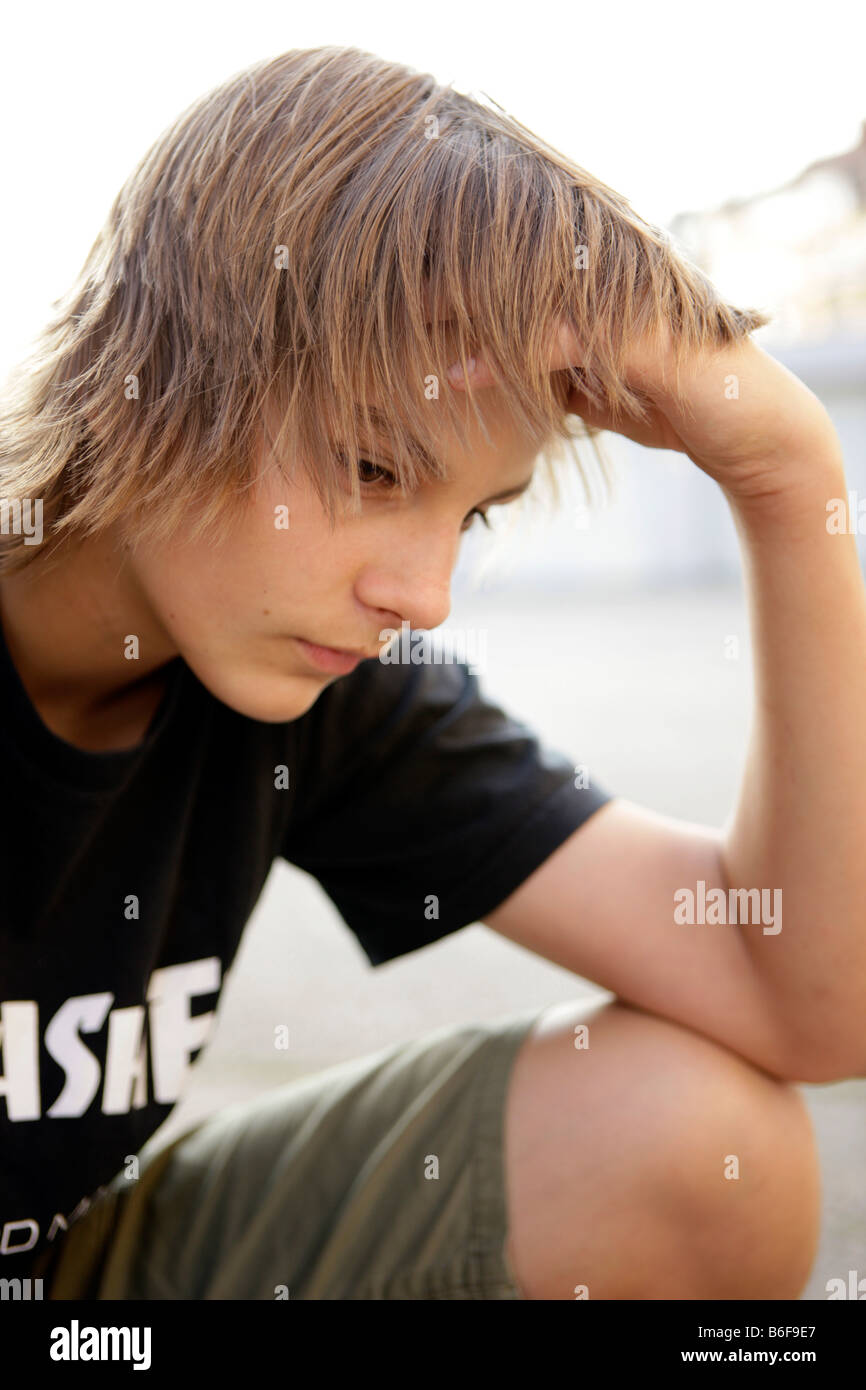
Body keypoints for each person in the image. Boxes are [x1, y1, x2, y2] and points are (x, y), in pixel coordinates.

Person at [0, 44, 860, 1302]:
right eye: (372, 468)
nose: (422, 594)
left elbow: (797, 998)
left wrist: (791, 481)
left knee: (702, 1141)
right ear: (161, 371)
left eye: (473, 513)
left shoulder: (315, 688)